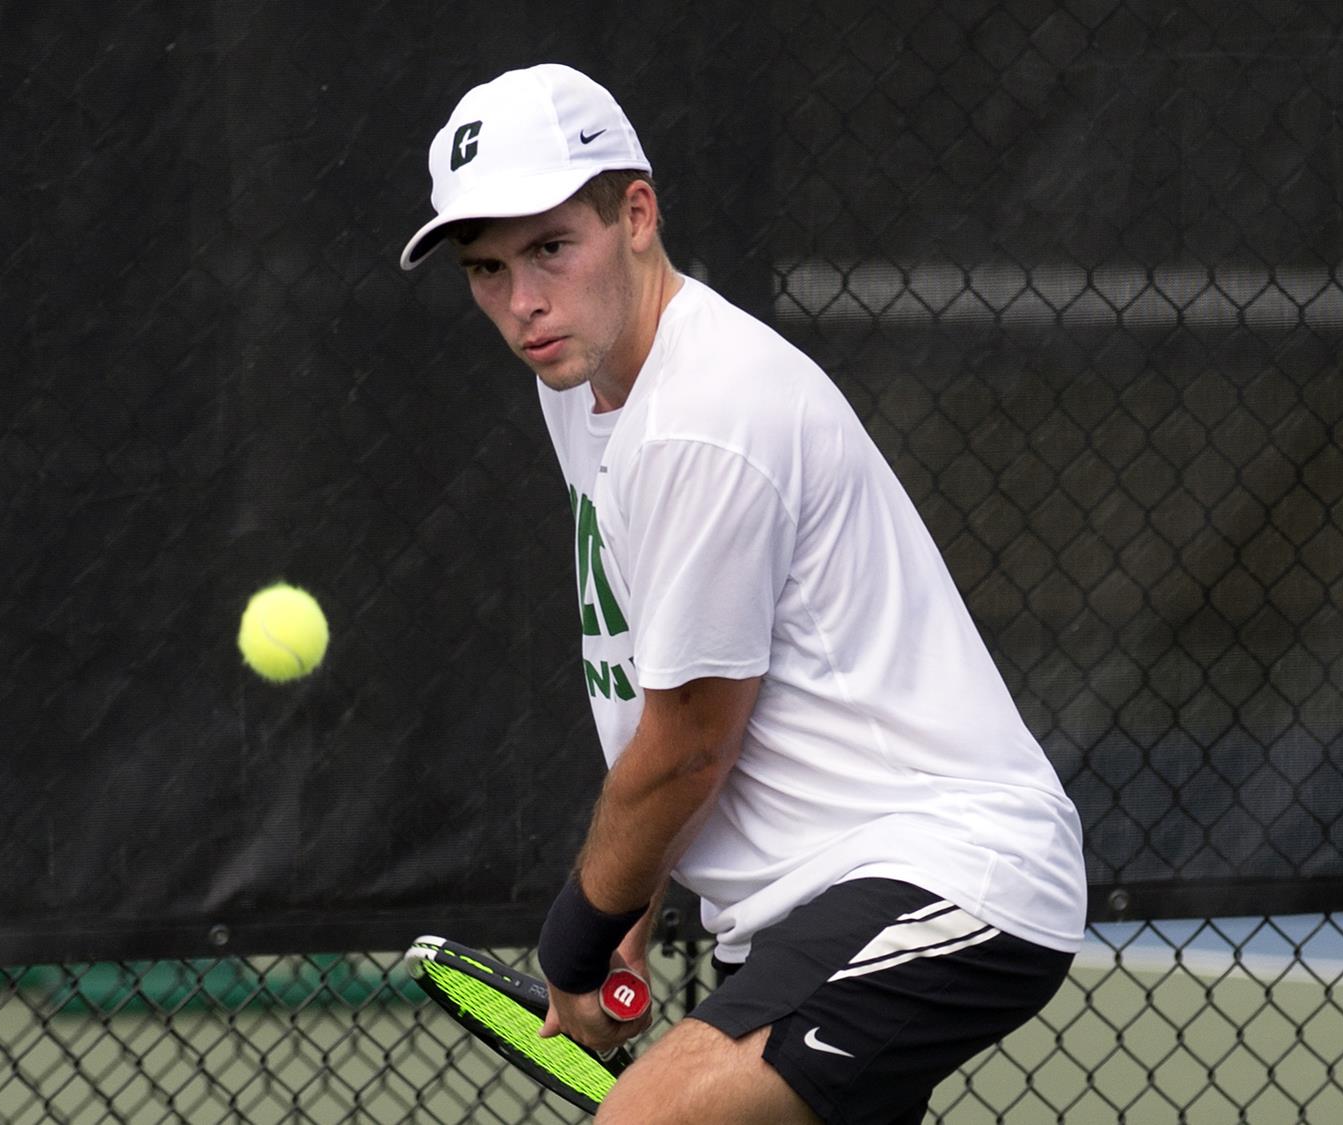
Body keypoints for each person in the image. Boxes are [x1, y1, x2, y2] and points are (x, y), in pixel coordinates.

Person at [398, 63, 1088, 1124]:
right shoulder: (584, 385)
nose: (522, 300)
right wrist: (629, 911)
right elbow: (676, 696)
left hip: (938, 871)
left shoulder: (705, 413)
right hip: (801, 909)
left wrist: (577, 940)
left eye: (550, 249)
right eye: (486, 268)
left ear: (636, 215)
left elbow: (688, 744)